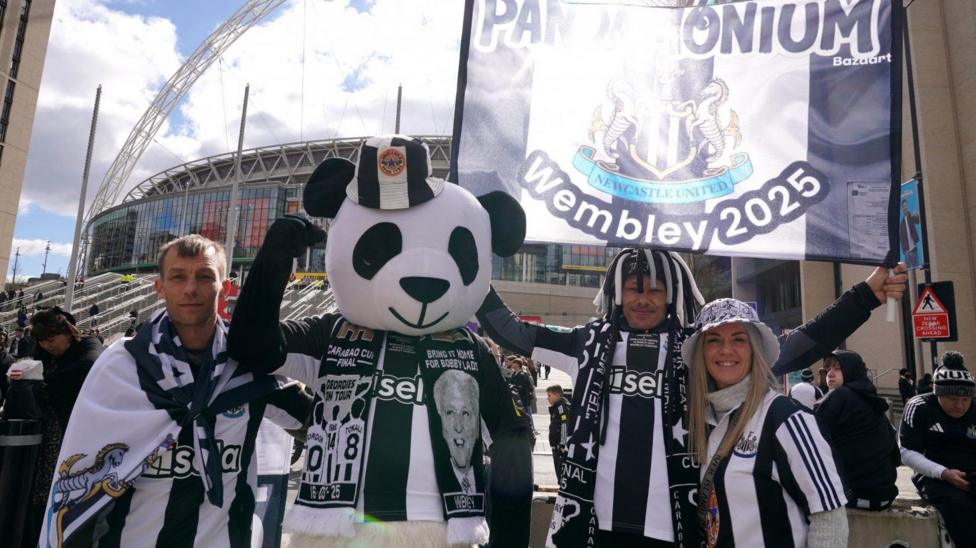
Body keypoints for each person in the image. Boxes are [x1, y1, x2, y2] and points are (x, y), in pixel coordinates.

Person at [479, 247, 907, 547]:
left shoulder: (697, 348)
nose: (643, 299)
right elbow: (511, 332)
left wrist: (864, 295)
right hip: (587, 528)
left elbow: (796, 346)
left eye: (655, 290)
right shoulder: (583, 343)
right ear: (617, 291)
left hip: (674, 530)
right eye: (633, 288)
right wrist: (467, 271)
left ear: (673, 294)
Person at [39, 234, 312, 547]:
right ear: (160, 287)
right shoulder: (122, 365)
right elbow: (82, 478)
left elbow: (319, 426)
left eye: (205, 276)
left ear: (225, 285)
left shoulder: (250, 366)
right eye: (178, 276)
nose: (191, 288)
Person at [685, 299, 849, 547]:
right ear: (702, 353)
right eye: (714, 340)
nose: (726, 350)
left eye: (739, 339)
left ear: (755, 350)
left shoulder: (786, 418)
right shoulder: (705, 420)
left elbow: (829, 517)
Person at [899, 351, 976, 547]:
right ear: (937, 392)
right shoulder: (919, 406)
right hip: (935, 476)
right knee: (960, 506)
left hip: (970, 471)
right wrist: (943, 473)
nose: (959, 405)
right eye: (952, 399)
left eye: (965, 400)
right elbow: (907, 452)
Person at [817, 350, 899, 510]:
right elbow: (896, 457)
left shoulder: (840, 395)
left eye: (838, 368)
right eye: (828, 368)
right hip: (883, 497)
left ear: (851, 370)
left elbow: (811, 439)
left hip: (853, 496)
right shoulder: (873, 403)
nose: (830, 373)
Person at [547, 385, 571, 478]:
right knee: (559, 471)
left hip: (559, 447)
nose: (548, 398)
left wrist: (563, 444)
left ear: (557, 395)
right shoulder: (557, 407)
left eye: (549, 395)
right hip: (556, 445)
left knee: (561, 472)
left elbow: (564, 425)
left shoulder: (561, 407)